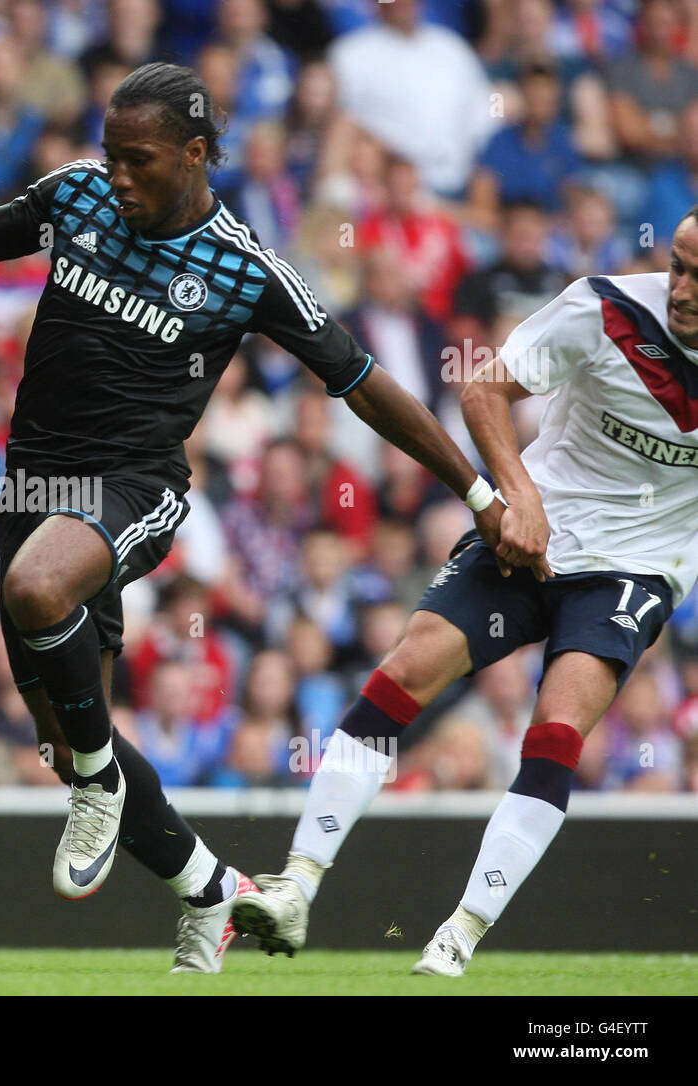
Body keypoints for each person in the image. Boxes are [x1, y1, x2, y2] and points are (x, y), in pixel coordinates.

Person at [0, 62, 505, 974]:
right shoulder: (77, 196)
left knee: (41, 604)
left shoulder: (244, 266)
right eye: (110, 155)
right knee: (69, 739)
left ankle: (102, 787)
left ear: (193, 155)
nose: (116, 176)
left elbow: (364, 384)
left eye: (136, 160)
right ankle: (215, 892)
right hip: (30, 485)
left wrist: (478, 493)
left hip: (134, 486)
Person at [231, 212, 698, 976]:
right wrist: (518, 494)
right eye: (678, 266)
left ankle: (461, 932)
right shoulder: (608, 308)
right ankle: (298, 883)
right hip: (530, 528)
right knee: (407, 668)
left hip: (634, 568)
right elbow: (484, 391)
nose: (681, 289)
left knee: (557, 728)